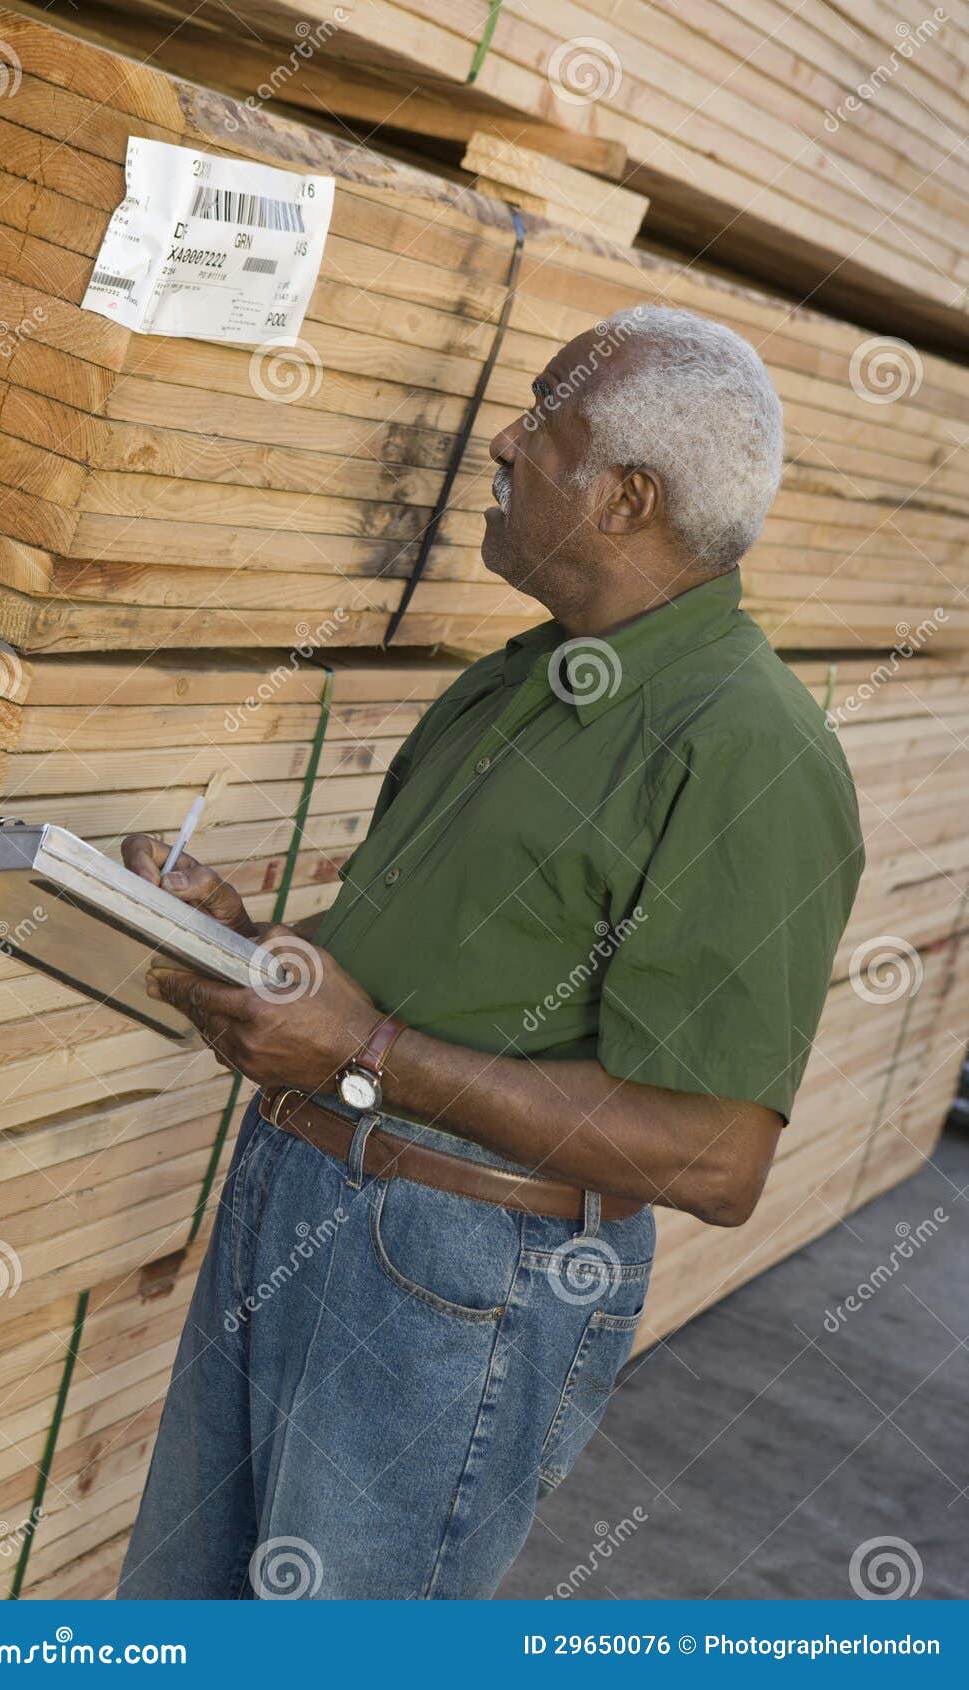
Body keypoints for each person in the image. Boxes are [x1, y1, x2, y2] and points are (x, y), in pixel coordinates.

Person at [117, 306, 864, 1600]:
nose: (502, 444)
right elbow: (415, 986)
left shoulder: (746, 749)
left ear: (625, 497)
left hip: (451, 1277)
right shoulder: (523, 678)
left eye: (541, 424)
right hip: (294, 1191)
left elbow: (715, 1155)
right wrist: (234, 943)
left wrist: (360, 1050)